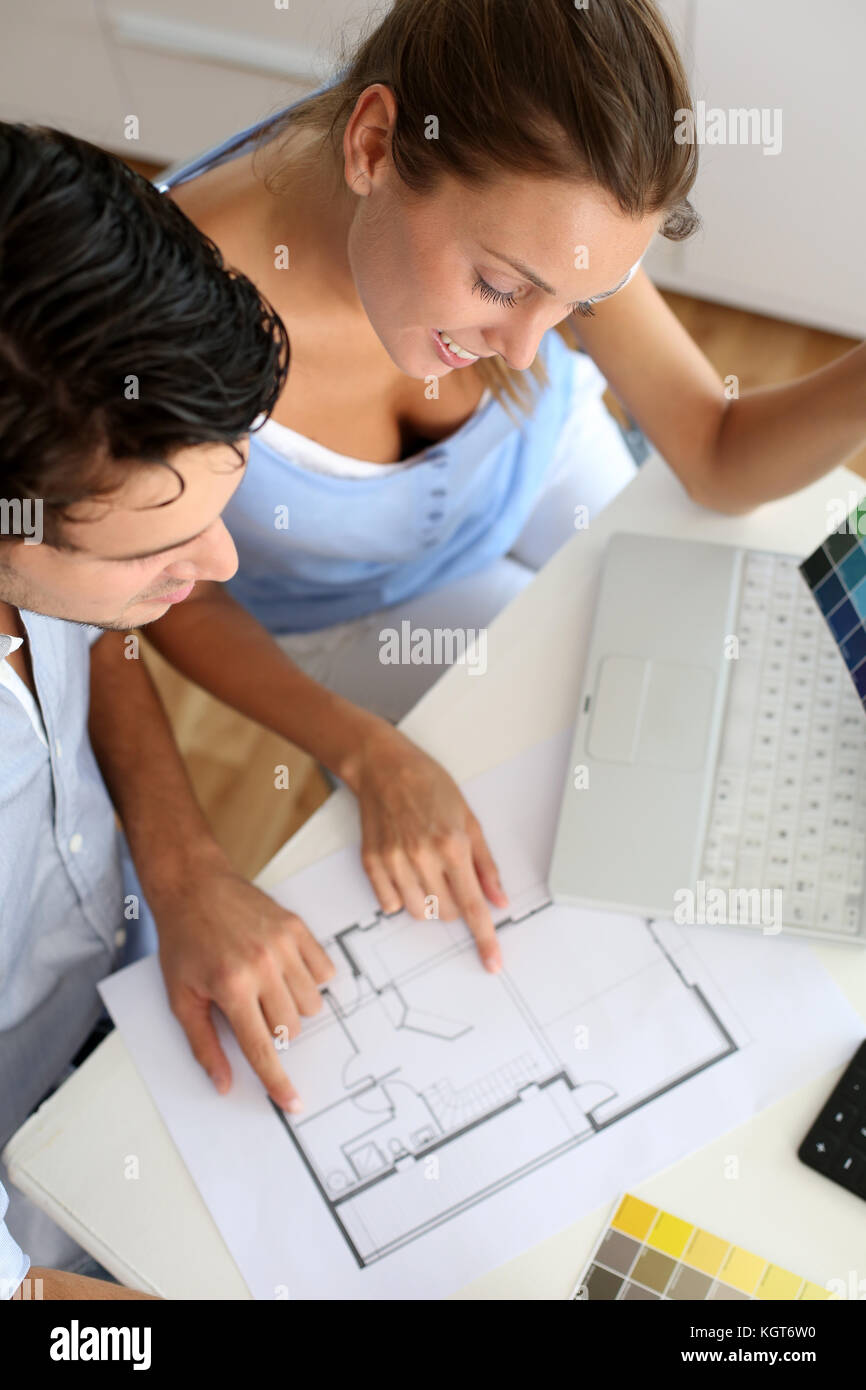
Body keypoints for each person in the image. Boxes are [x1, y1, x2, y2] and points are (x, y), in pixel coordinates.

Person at [149, 0, 866, 954]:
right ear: (373, 145)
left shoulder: (541, 181)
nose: (531, 351)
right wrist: (358, 747)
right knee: (566, 836)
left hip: (538, 466)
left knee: (705, 699)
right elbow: (161, 595)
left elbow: (719, 454)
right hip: (358, 605)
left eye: (579, 305)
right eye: (500, 288)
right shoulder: (165, 330)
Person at [0, 123, 335, 1297]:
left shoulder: (51, 514)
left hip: (108, 1028)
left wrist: (182, 862)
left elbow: (94, 639)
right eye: (155, 543)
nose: (226, 563)